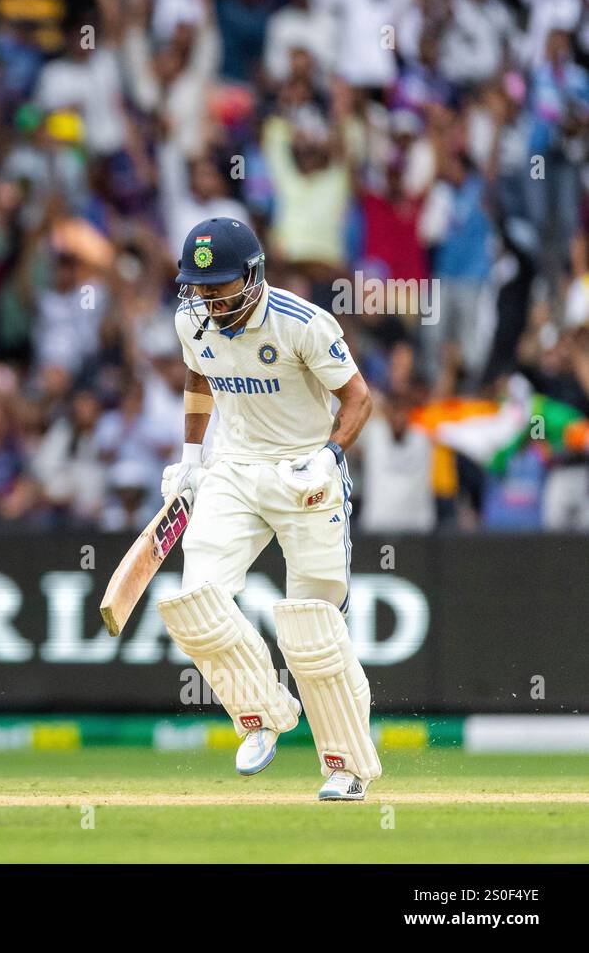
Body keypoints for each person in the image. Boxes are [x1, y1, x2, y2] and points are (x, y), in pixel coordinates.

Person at [158, 216, 381, 801]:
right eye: (199, 288)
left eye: (221, 286)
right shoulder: (192, 319)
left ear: (253, 276)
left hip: (303, 473)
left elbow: (358, 397)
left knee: (313, 627)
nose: (208, 299)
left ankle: (346, 766)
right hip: (233, 465)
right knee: (194, 600)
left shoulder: (303, 323)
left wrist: (330, 455)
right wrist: (188, 457)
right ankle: (260, 714)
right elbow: (199, 375)